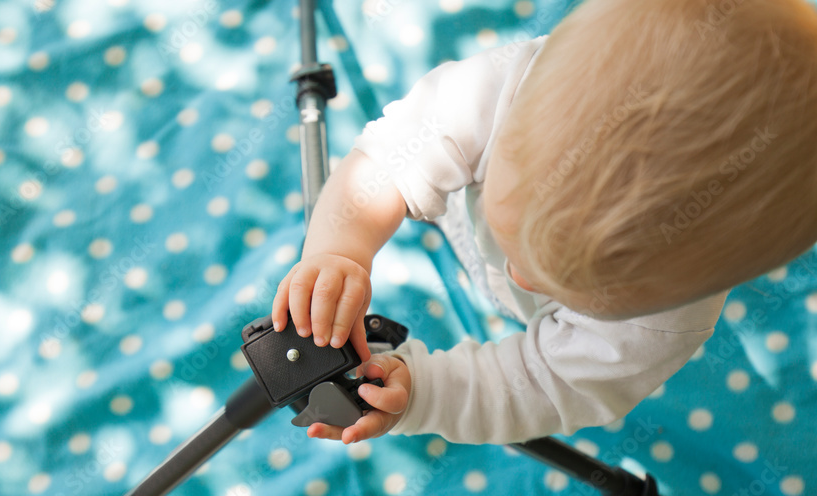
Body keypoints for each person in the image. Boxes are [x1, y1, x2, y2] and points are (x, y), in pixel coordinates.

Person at [270, 0, 817, 446]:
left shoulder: (656, 329)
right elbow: (391, 157)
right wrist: (340, 248)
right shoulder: (498, 91)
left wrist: (427, 393)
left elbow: (542, 383)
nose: (520, 279)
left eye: (570, 289)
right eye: (511, 237)